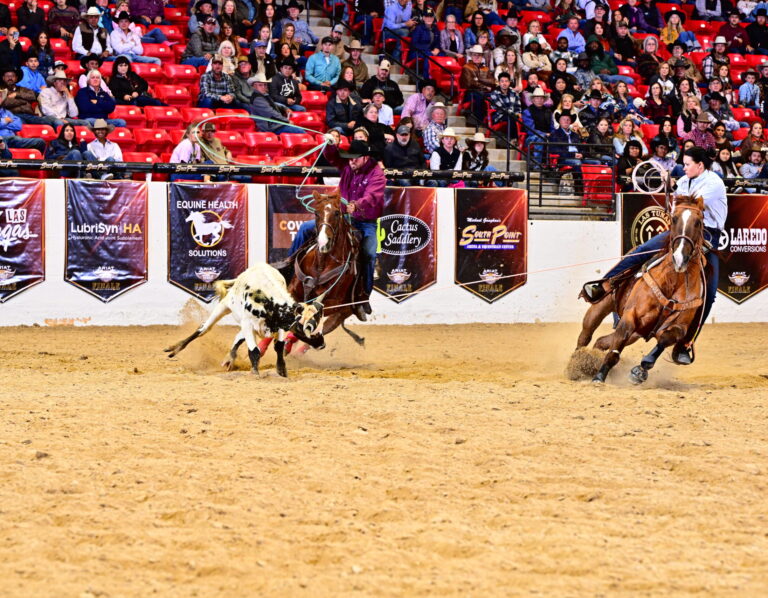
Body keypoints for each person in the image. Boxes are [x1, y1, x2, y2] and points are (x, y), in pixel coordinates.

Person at [583, 146, 726, 364]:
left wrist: (671, 186)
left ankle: (685, 342)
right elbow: (677, 210)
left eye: (687, 164)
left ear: (700, 165)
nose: (684, 168)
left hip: (708, 235)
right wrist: (672, 189)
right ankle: (606, 284)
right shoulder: (685, 181)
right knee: (642, 251)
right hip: (682, 231)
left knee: (710, 294)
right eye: (684, 164)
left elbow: (691, 205)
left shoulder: (713, 182)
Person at [289, 138, 386, 320]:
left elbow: (373, 195)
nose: (351, 161)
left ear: (365, 158)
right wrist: (331, 143)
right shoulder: (349, 167)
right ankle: (289, 268)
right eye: (349, 158)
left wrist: (356, 205)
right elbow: (332, 156)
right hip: (343, 217)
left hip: (365, 221)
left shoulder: (377, 174)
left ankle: (362, 296)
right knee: (305, 229)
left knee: (369, 252)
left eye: (355, 158)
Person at [461, 45, 496, 122]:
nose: (477, 57)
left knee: (495, 95)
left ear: (482, 56)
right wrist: (485, 86)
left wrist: (479, 79)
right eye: (475, 55)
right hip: (471, 92)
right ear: (471, 56)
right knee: (479, 95)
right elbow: (470, 83)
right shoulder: (466, 67)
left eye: (479, 55)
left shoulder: (486, 68)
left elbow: (492, 82)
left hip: (484, 92)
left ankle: (493, 119)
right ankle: (478, 120)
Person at [522, 87, 552, 164]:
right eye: (537, 98)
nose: (539, 100)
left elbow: (552, 126)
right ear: (533, 99)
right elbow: (530, 130)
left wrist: (553, 134)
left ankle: (554, 165)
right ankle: (537, 165)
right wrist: (544, 134)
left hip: (547, 135)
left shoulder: (548, 111)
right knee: (540, 138)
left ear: (544, 100)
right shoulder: (527, 111)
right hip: (531, 137)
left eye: (541, 98)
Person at [488, 72, 521, 139]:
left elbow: (518, 106)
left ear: (509, 83)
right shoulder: (494, 94)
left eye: (506, 81)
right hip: (500, 116)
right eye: (502, 81)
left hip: (512, 115)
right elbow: (500, 108)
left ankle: (516, 140)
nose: (504, 83)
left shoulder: (514, 93)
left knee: (517, 118)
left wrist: (518, 113)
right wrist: (513, 114)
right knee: (511, 117)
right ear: (499, 83)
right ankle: (513, 139)